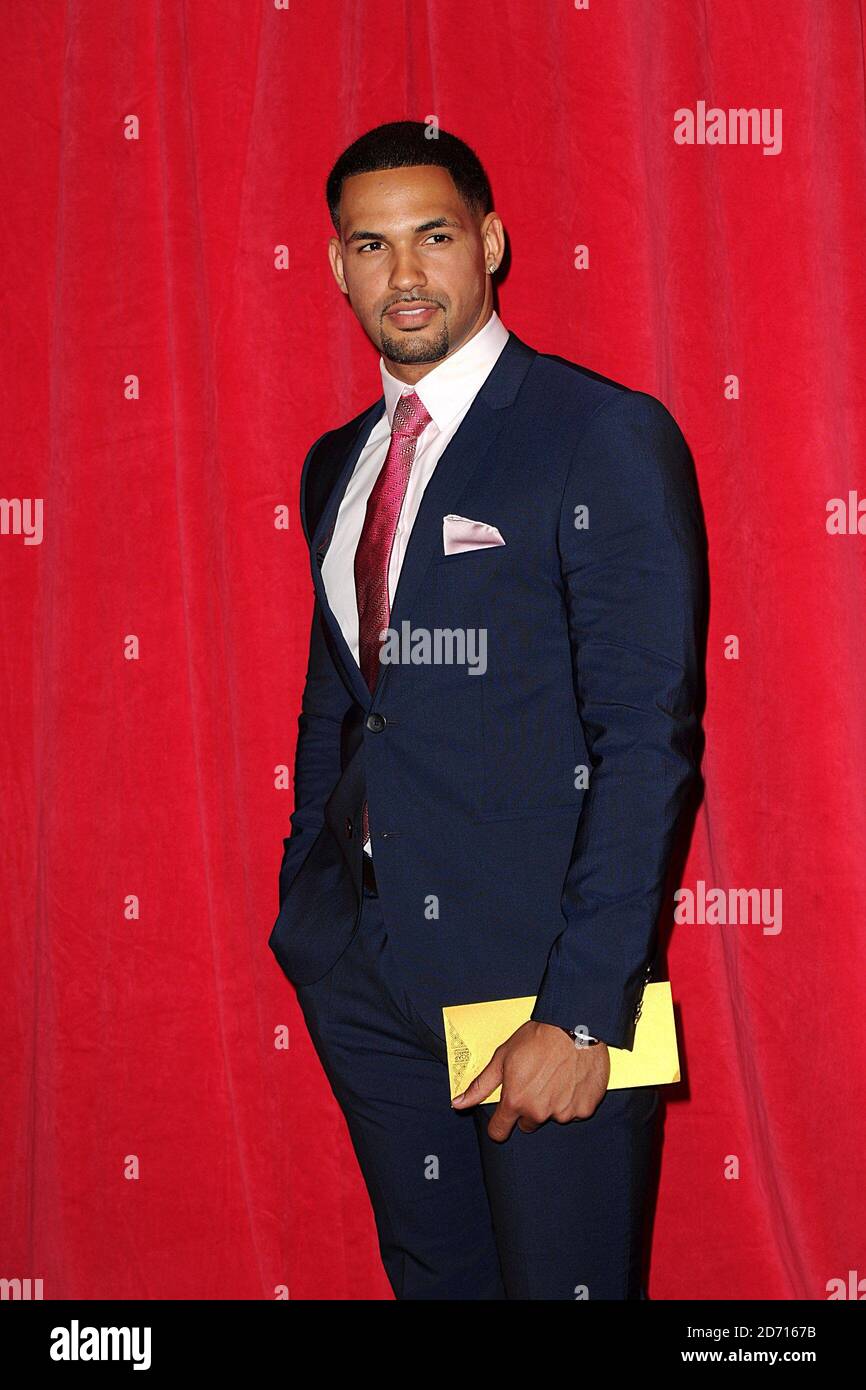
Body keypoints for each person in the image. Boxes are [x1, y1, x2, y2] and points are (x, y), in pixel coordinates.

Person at [269, 119, 706, 1300]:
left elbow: (644, 740)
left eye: (433, 237)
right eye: (371, 245)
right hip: (364, 977)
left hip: (539, 982)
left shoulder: (595, 434)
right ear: (335, 265)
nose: (403, 276)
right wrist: (308, 908)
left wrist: (582, 1014)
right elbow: (346, 701)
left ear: (491, 243)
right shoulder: (336, 462)